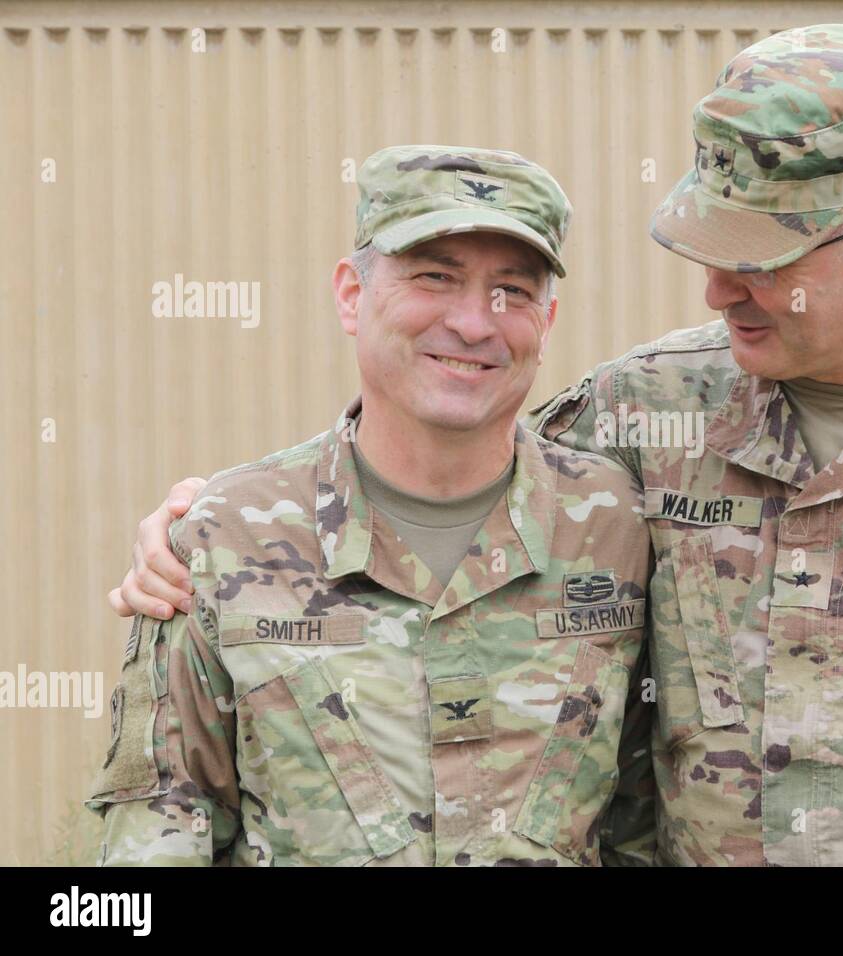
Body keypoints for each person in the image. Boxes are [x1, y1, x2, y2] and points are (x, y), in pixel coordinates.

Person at [113, 25, 843, 866]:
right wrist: (194, 536)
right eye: (708, 245)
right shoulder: (642, 416)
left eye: (759, 260)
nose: (715, 288)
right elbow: (432, 479)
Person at [89, 144, 655, 866]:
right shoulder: (224, 539)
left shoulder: (616, 527)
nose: (476, 323)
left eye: (511, 290)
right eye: (434, 278)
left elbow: (651, 817)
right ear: (352, 295)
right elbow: (156, 836)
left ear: (546, 321)